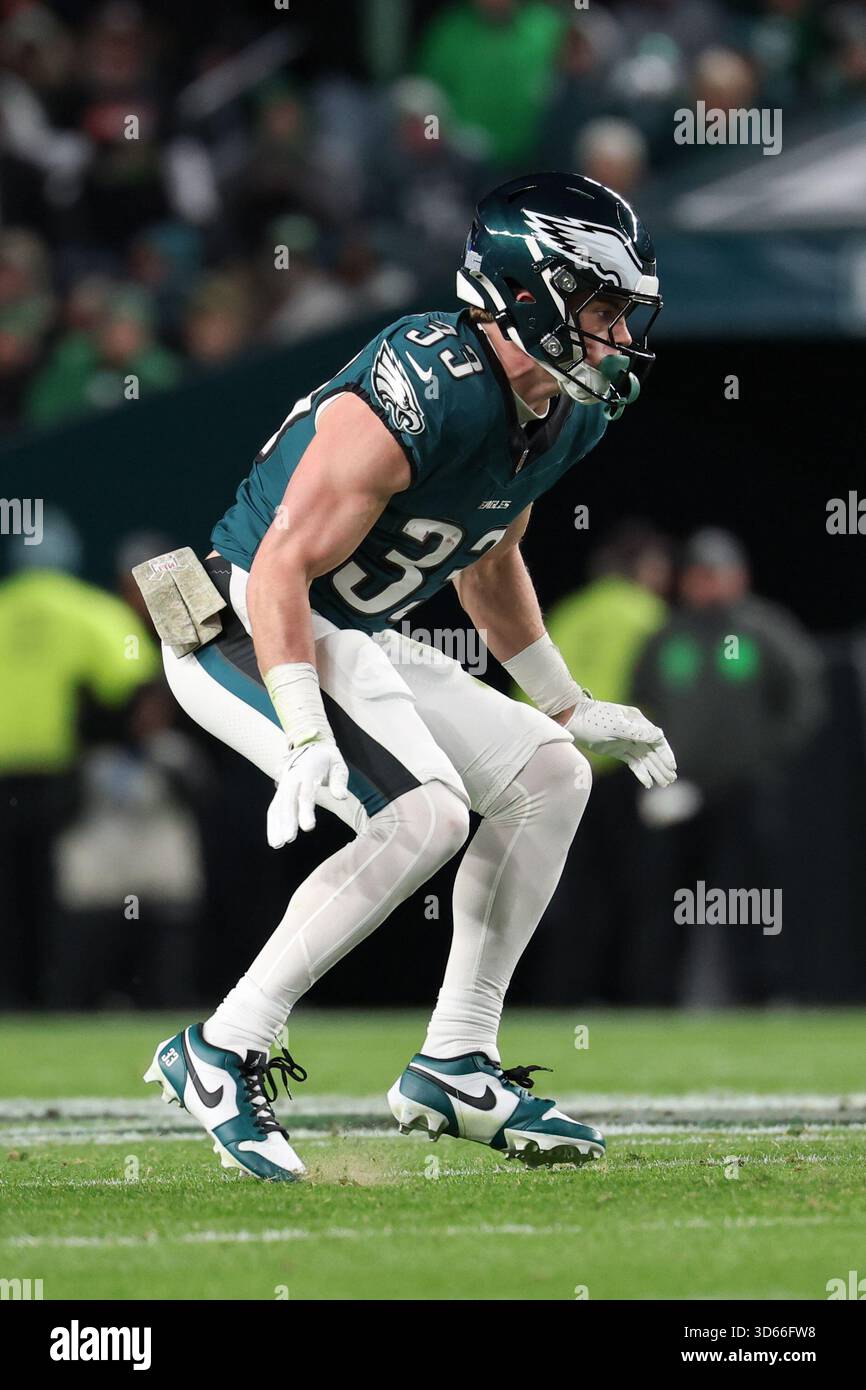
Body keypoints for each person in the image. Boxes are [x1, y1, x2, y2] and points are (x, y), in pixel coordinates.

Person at [143, 172, 677, 1181]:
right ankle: (222, 1047)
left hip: (354, 633)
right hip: (241, 618)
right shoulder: (425, 376)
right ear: (529, 292)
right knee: (424, 814)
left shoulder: (564, 409)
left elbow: (489, 554)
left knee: (548, 771)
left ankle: (454, 1062)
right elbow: (286, 566)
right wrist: (301, 724)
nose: (616, 330)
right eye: (599, 305)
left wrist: (563, 700)